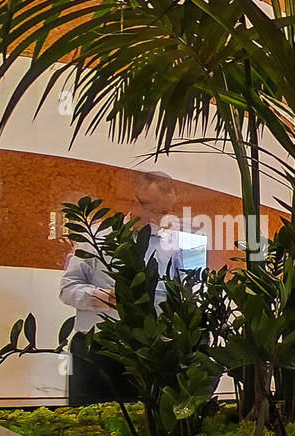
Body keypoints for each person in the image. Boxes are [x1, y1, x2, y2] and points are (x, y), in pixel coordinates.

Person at [59, 167, 208, 406]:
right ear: (132, 200)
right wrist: (103, 297)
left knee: (136, 425)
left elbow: (179, 295)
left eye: (164, 212)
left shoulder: (171, 247)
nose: (156, 217)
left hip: (144, 354)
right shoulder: (95, 237)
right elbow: (67, 289)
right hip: (94, 349)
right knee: (86, 423)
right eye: (150, 207)